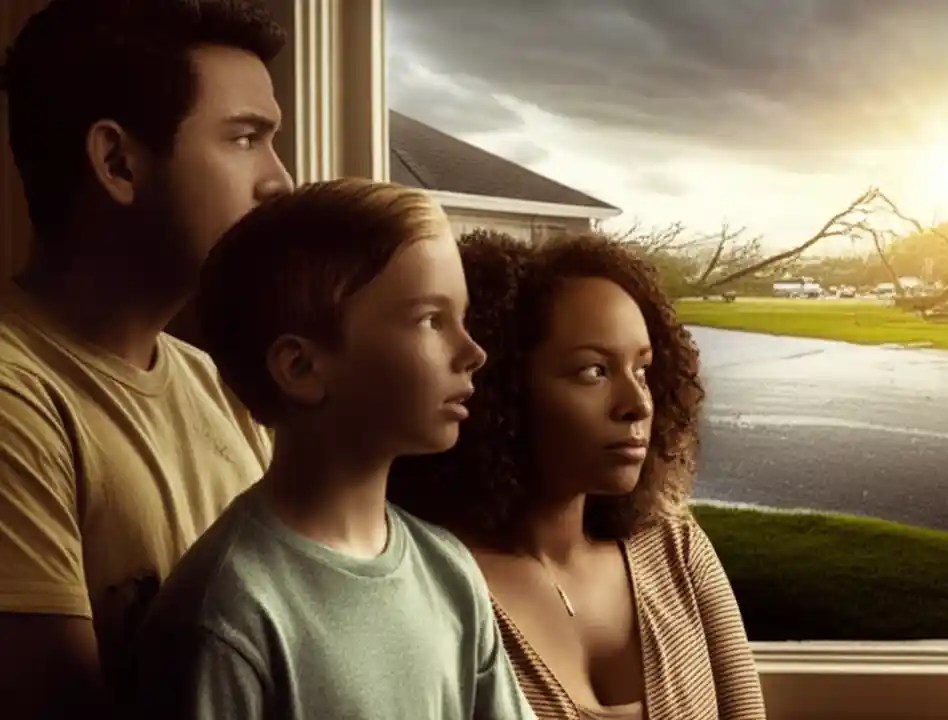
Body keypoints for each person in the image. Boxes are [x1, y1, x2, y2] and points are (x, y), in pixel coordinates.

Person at [133, 178, 535, 720]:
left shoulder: (450, 573)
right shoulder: (229, 616)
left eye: (462, 319)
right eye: (430, 320)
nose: (473, 352)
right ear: (301, 367)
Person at [0, 0, 292, 715]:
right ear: (118, 163)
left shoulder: (220, 387)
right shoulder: (14, 400)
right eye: (245, 138)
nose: (280, 181)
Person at [390, 231, 768, 720]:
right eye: (594, 372)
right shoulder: (430, 588)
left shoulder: (676, 549)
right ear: (501, 389)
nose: (638, 404)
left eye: (643, 369)